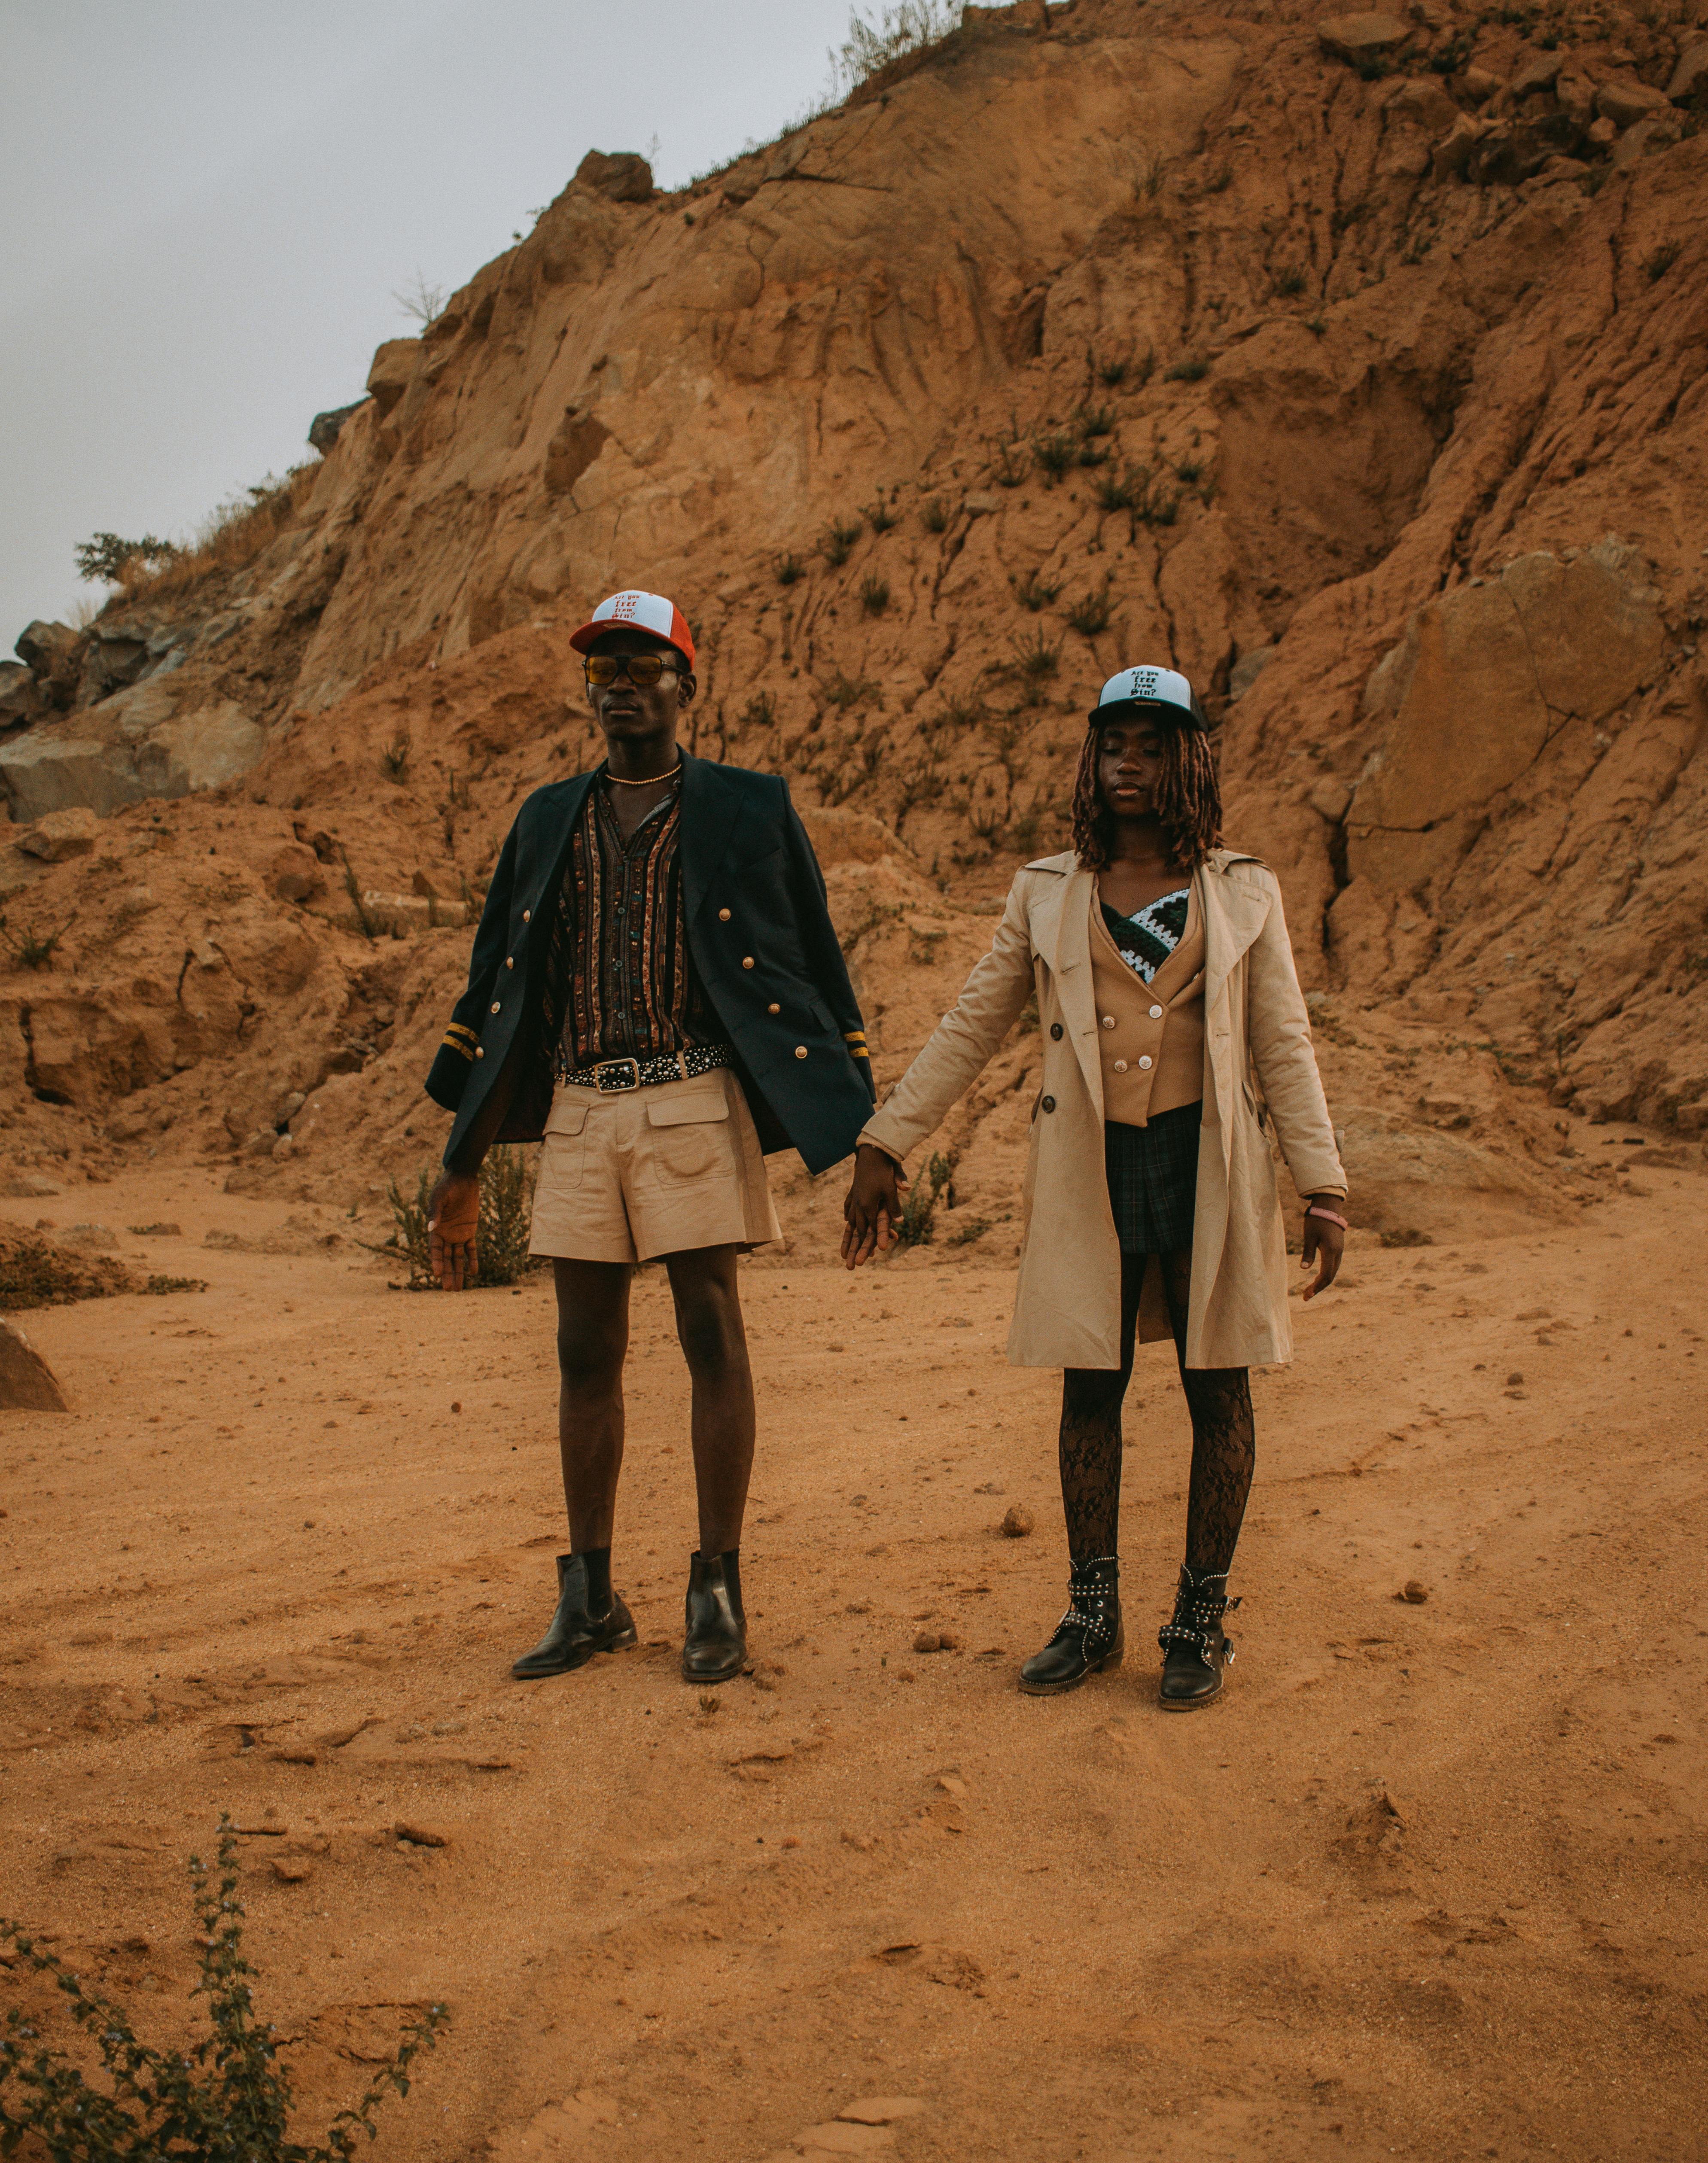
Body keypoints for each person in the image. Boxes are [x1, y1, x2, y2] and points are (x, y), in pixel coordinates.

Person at [842, 663, 1348, 1707]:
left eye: (1155, 742)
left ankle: (1200, 1621)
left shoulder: (1244, 891)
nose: (1130, 760)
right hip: (1093, 1168)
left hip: (1206, 1164)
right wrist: (887, 1142)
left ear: (1191, 758)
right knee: (1091, 1384)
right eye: (1115, 741)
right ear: (1092, 756)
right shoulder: (1047, 891)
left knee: (1220, 1384)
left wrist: (1324, 1185)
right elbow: (973, 1022)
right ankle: (1091, 1612)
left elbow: (1283, 1044)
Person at [423, 589, 875, 1686]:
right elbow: (499, 986)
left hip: (689, 1096)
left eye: (642, 664)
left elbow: (815, 960)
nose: (620, 683)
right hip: (580, 1106)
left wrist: (869, 1129)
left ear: (687, 683)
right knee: (584, 1350)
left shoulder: (750, 807)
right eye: (603, 668)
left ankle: (716, 1589)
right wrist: (461, 1163)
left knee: (711, 1329)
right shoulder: (545, 819)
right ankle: (589, 1598)